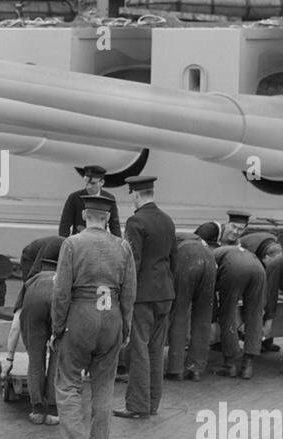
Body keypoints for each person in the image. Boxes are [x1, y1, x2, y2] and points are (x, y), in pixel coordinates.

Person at [51, 196, 136, 439]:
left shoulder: (72, 243)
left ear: (85, 215)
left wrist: (56, 328)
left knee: (68, 382)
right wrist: (125, 327)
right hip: (112, 317)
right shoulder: (123, 247)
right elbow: (130, 293)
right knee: (103, 388)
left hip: (80, 315)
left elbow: (61, 292)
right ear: (109, 217)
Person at [114, 175, 176, 419]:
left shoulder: (135, 222)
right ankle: (152, 402)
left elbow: (132, 263)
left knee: (138, 348)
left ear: (135, 194)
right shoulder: (168, 221)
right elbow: (174, 258)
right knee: (156, 349)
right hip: (165, 294)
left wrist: (123, 294)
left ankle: (137, 405)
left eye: (130, 195)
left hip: (143, 297)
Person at [3, 237, 62, 425]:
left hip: (33, 305)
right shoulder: (64, 282)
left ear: (41, 265)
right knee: (57, 356)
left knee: (36, 358)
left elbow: (15, 327)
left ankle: (37, 410)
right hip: (58, 300)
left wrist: (9, 361)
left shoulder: (29, 283)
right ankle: (53, 411)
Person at [168, 225, 219, 381]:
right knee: (203, 315)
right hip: (209, 261)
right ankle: (196, 369)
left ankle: (176, 369)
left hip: (187, 259)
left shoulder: (168, 238)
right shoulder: (197, 240)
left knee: (180, 313)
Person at [211, 240, 266, 380]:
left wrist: (214, 311)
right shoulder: (230, 251)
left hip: (234, 269)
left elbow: (210, 286)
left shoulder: (211, 255)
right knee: (255, 314)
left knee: (227, 314)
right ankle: (248, 365)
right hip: (258, 269)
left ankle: (230, 365)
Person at [58, 165, 120, 237]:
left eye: (93, 183)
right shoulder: (74, 198)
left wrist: (119, 245)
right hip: (79, 241)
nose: (89, 186)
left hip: (100, 241)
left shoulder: (109, 198)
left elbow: (115, 226)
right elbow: (65, 225)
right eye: (87, 182)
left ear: (102, 182)